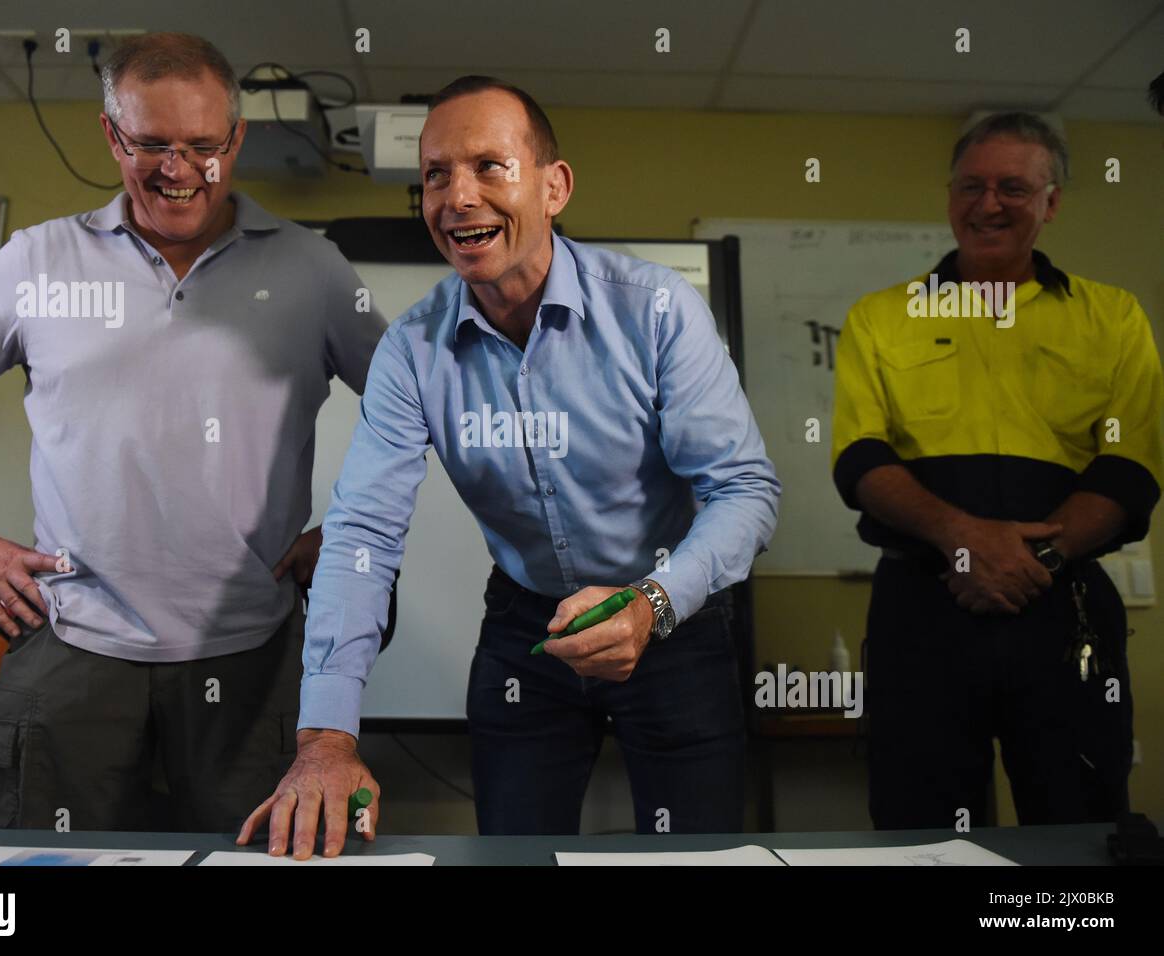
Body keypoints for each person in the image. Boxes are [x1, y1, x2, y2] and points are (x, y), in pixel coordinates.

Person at [241, 75, 779, 858]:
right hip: (526, 626)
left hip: (672, 620)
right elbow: (363, 533)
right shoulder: (412, 350)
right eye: (435, 175)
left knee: (692, 854)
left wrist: (652, 604)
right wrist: (325, 737)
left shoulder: (657, 310)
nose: (458, 197)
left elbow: (743, 490)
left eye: (490, 166)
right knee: (513, 857)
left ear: (554, 186)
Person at [0, 32, 385, 832]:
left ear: (237, 140)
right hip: (70, 644)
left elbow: (406, 405)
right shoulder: (38, 261)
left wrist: (349, 530)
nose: (178, 169)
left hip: (250, 657)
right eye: (150, 144)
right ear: (111, 135)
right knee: (32, 873)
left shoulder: (313, 268)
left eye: (202, 146)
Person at [831, 112, 1162, 829]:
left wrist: (1027, 559)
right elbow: (861, 460)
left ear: (1052, 202)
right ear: (950, 197)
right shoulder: (878, 318)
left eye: (1013, 187)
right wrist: (967, 544)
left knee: (1084, 826)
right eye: (971, 186)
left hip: (1062, 604)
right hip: (922, 612)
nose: (988, 205)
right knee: (918, 832)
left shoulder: (1113, 318)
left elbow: (1131, 463)